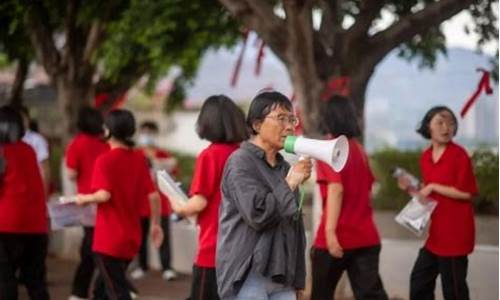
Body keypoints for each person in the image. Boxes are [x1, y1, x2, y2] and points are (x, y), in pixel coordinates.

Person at [216, 91, 311, 300]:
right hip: (248, 274)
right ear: (257, 125)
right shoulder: (240, 162)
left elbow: (294, 227)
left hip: (282, 276)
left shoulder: (284, 167)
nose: (289, 126)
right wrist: (291, 182)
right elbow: (257, 215)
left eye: (292, 119)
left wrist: (299, 278)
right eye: (281, 118)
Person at [75, 109, 163, 300]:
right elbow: (154, 196)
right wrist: (156, 225)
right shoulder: (139, 159)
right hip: (132, 237)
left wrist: (82, 199)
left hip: (108, 240)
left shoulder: (104, 160)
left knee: (116, 292)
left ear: (109, 131)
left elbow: (103, 195)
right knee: (102, 290)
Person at [169, 95, 248, 300]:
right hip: (242, 251)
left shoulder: (210, 156)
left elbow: (198, 203)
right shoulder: (244, 155)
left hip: (213, 250)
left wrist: (176, 205)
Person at [310, 95, 388, 300]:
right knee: (372, 296)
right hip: (366, 237)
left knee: (321, 295)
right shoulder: (359, 149)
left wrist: (330, 233)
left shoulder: (327, 148)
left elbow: (336, 189)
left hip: (335, 238)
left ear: (327, 117)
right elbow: (368, 186)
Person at [399, 106, 478, 300]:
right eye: (440, 123)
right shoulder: (425, 157)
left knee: (454, 291)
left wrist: (433, 186)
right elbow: (429, 196)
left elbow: (467, 193)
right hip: (437, 234)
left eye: (451, 123)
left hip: (456, 234)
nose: (446, 128)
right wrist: (411, 189)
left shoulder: (459, 155)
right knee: (419, 283)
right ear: (429, 127)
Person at [0, 106, 50, 300]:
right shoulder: (28, 149)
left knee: (5, 281)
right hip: (36, 226)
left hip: (6, 226)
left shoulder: (2, 151)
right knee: (36, 283)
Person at [66, 107, 110, 300]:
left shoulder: (77, 143)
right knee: (97, 247)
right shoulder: (106, 144)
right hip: (106, 202)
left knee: (90, 248)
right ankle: (94, 289)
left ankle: (80, 291)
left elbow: (71, 173)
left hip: (86, 202)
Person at [131, 120, 178, 281]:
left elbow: (173, 174)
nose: (147, 136)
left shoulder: (164, 154)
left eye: (150, 132)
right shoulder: (135, 155)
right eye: (144, 132)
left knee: (163, 236)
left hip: (161, 203)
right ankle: (142, 266)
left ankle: (167, 268)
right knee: (141, 236)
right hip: (141, 204)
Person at [17, 106, 51, 196]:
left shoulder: (38, 140)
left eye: (23, 118)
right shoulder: (6, 143)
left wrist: (44, 193)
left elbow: (44, 169)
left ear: (28, 119)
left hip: (33, 190)